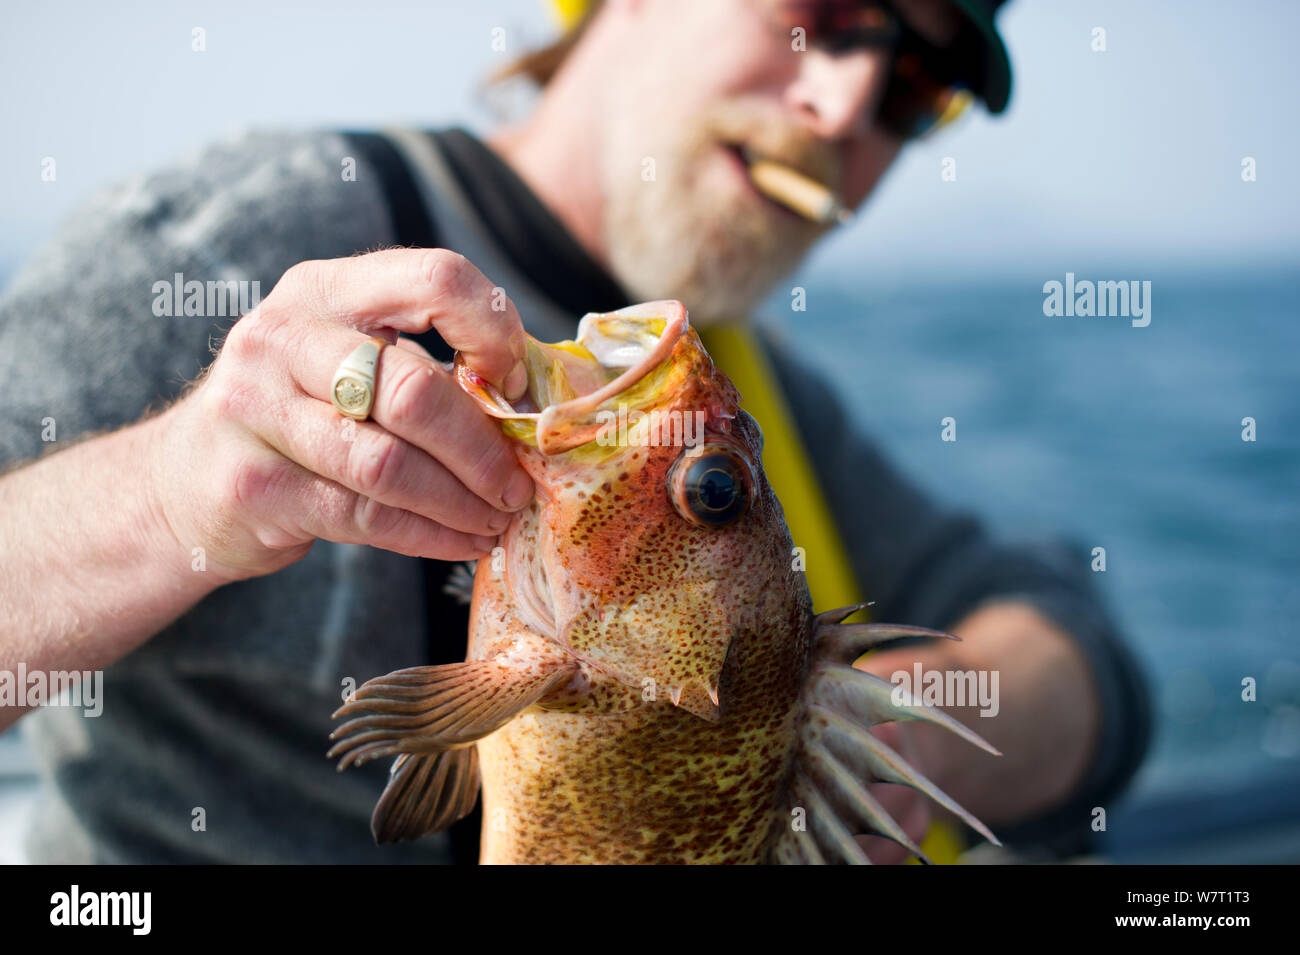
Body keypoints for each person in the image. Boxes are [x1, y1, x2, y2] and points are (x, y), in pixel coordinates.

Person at [0, 0, 1149, 863]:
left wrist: (915, 739)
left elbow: (1078, 646)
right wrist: (164, 494)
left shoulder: (754, 401)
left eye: (917, 89)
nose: (842, 108)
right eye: (822, 19)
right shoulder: (219, 249)